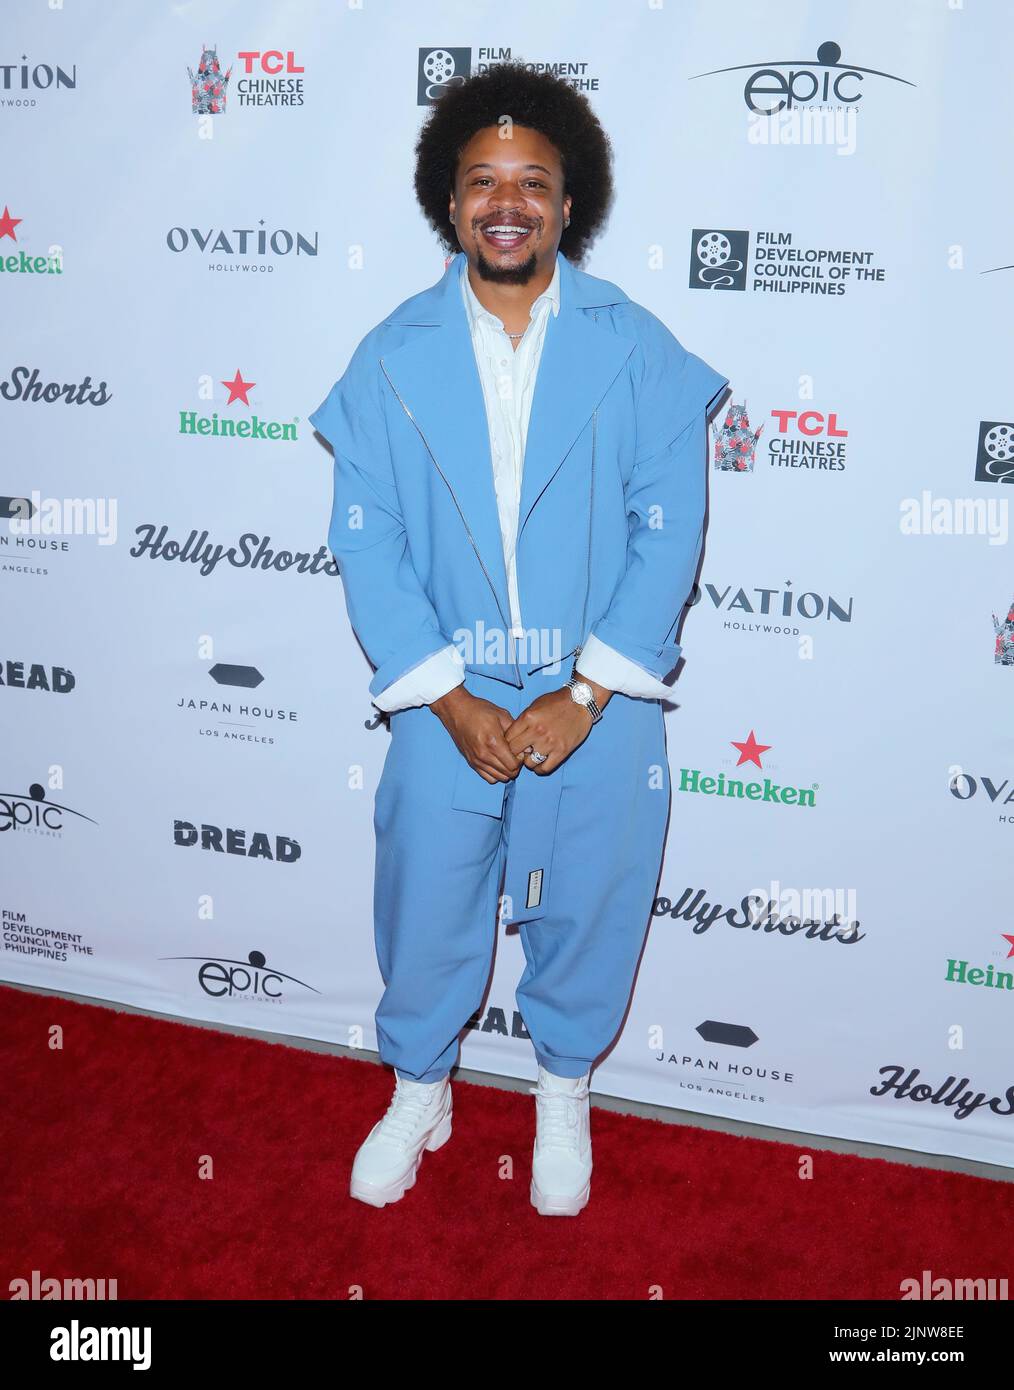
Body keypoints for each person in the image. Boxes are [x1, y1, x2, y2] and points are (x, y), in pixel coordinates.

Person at [309, 60, 727, 1216]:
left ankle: (560, 1087)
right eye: (482, 181)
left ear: (569, 199)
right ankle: (420, 1086)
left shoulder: (636, 346)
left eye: (532, 182)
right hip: (450, 695)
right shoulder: (389, 354)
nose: (508, 202)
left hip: (595, 695)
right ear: (449, 202)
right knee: (427, 895)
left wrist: (585, 693)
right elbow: (370, 543)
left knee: (590, 891)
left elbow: (669, 530)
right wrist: (448, 699)